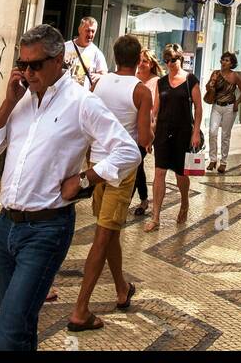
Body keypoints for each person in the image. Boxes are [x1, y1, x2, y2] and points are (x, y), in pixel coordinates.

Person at [0, 24, 140, 352]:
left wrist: (84, 180)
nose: (28, 72)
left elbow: (128, 150)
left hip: (46, 230)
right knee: (19, 327)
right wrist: (7, 103)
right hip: (6, 227)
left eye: (35, 65)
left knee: (7, 333)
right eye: (22, 64)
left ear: (58, 60)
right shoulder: (19, 100)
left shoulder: (80, 102)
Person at [67, 34, 152, 332]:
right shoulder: (141, 92)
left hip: (96, 163)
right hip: (121, 168)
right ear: (139, 58)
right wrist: (151, 134)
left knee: (110, 230)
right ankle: (80, 309)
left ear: (115, 56)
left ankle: (121, 289)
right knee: (103, 237)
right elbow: (143, 139)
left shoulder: (98, 83)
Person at [145, 42, 202, 233]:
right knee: (159, 173)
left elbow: (199, 108)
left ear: (181, 59)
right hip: (163, 132)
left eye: (173, 59)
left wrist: (195, 133)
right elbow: (155, 110)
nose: (169, 63)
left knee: (180, 175)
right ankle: (155, 217)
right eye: (167, 60)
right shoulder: (161, 83)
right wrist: (150, 134)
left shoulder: (190, 80)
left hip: (183, 132)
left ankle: (184, 201)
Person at [205, 51, 241, 172]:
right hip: (217, 106)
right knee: (212, 132)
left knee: (225, 135)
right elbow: (208, 88)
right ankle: (213, 160)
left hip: (229, 107)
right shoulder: (216, 73)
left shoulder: (235, 76)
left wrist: (237, 102)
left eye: (227, 60)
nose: (224, 62)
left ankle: (223, 162)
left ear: (231, 64)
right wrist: (212, 81)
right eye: (223, 59)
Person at [132, 47, 162, 216]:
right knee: (137, 166)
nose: (141, 64)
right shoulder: (133, 78)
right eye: (140, 60)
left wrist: (151, 136)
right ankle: (144, 199)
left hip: (146, 130)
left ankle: (124, 203)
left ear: (151, 64)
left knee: (133, 165)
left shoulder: (157, 82)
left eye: (145, 61)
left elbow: (156, 111)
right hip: (130, 128)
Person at [64, 16, 107, 88]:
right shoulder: (65, 47)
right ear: (80, 30)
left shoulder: (96, 53)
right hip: (64, 93)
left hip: (83, 96)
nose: (90, 34)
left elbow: (104, 74)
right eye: (87, 30)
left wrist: (100, 76)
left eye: (93, 31)